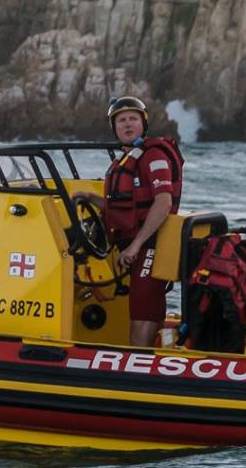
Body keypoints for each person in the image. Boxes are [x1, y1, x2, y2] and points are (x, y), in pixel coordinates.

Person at [75, 95, 184, 346]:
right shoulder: (126, 159)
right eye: (121, 120)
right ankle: (155, 356)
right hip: (135, 246)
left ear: (143, 123)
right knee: (150, 310)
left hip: (149, 246)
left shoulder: (153, 156)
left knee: (142, 316)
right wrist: (91, 198)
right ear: (114, 127)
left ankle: (137, 364)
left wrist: (136, 246)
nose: (127, 124)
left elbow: (163, 202)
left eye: (133, 119)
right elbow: (127, 207)